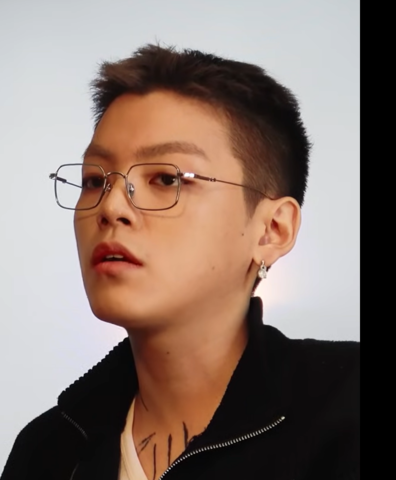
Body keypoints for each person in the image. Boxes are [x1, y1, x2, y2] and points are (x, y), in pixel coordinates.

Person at [0, 44, 359, 480]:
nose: (111, 207)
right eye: (95, 180)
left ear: (272, 230)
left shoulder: (345, 409)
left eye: (167, 178)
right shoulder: (46, 453)